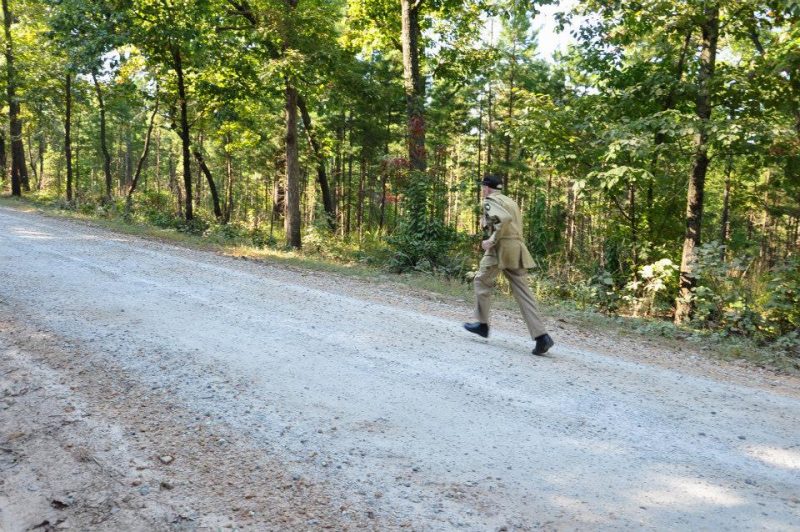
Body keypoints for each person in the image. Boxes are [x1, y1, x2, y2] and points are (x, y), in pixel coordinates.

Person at [464, 174, 554, 356]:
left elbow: (503, 220)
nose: (482, 191)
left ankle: (482, 324)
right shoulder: (510, 201)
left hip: (500, 249)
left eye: (483, 188)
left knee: (481, 281)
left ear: (487, 188)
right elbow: (509, 220)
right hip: (517, 248)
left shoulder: (490, 200)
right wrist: (487, 224)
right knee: (523, 292)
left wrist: (492, 239)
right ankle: (542, 337)